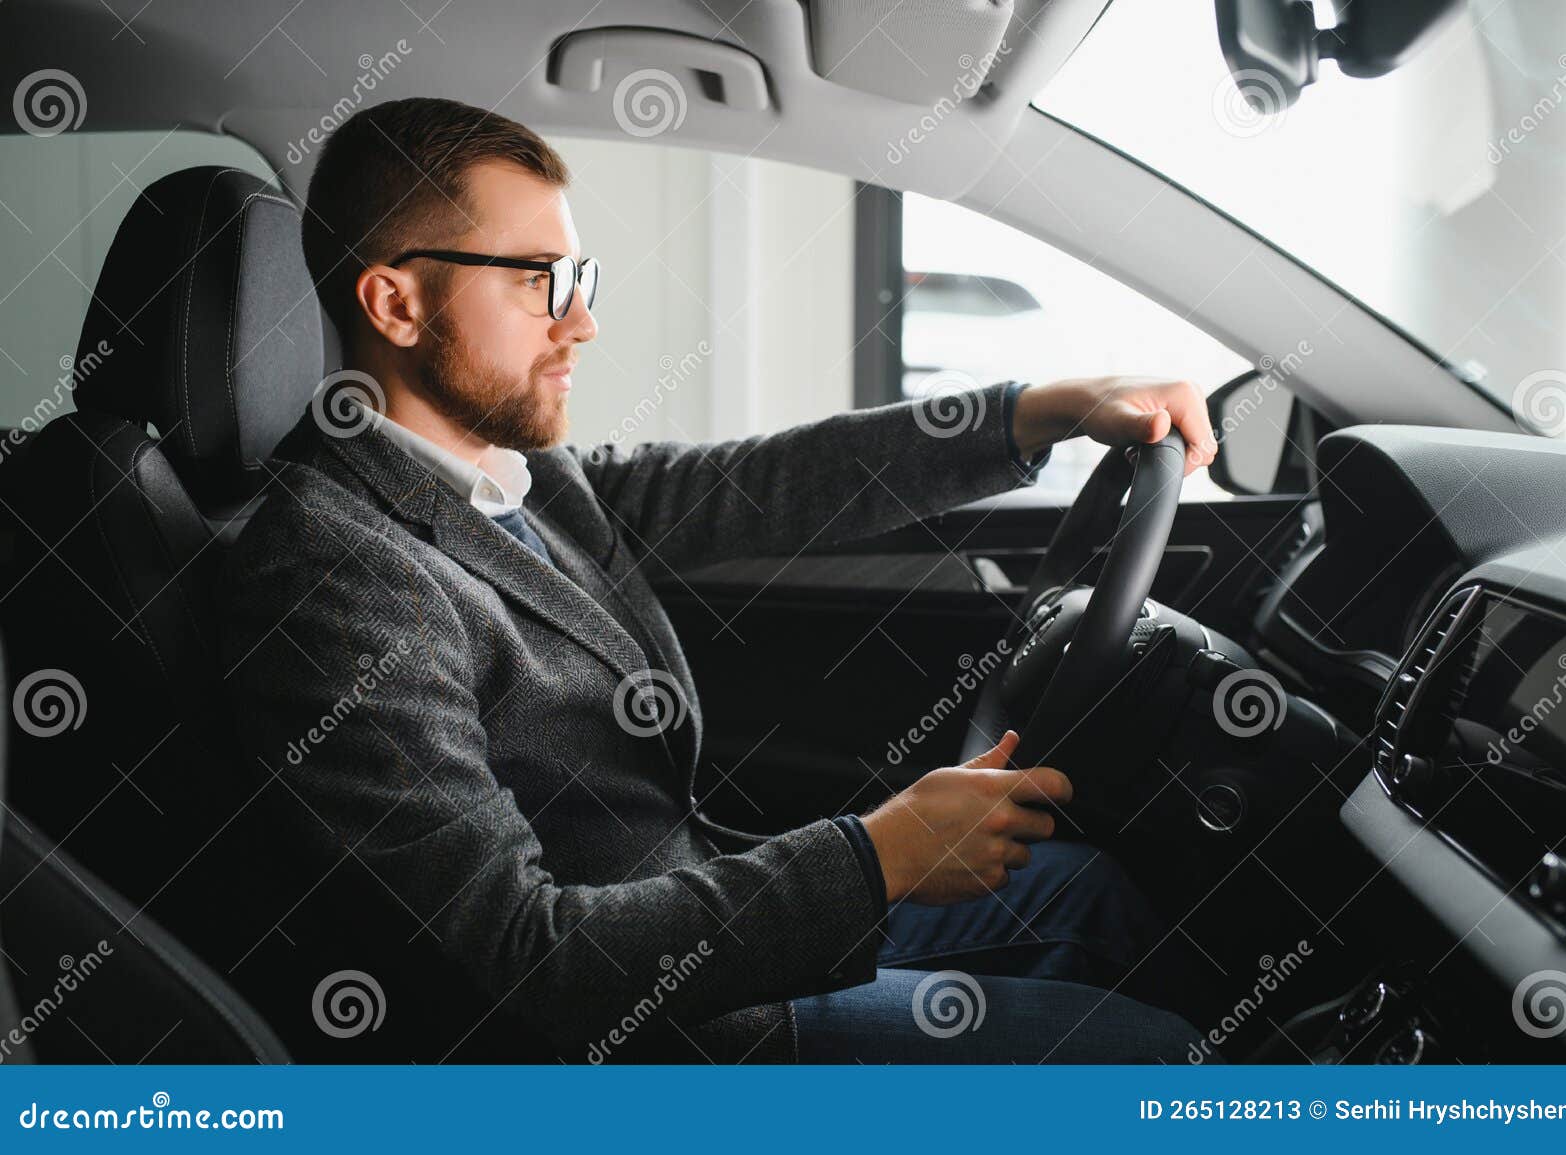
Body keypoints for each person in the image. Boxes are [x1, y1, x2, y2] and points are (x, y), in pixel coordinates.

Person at [219, 96, 1220, 1064]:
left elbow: (762, 483)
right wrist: (877, 858)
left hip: (709, 914)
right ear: (395, 301)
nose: (581, 325)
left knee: (1086, 894)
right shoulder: (333, 579)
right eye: (535, 282)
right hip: (652, 1036)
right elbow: (524, 964)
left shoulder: (512, 474)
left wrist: (1040, 409)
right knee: (1162, 1060)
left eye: (580, 280)